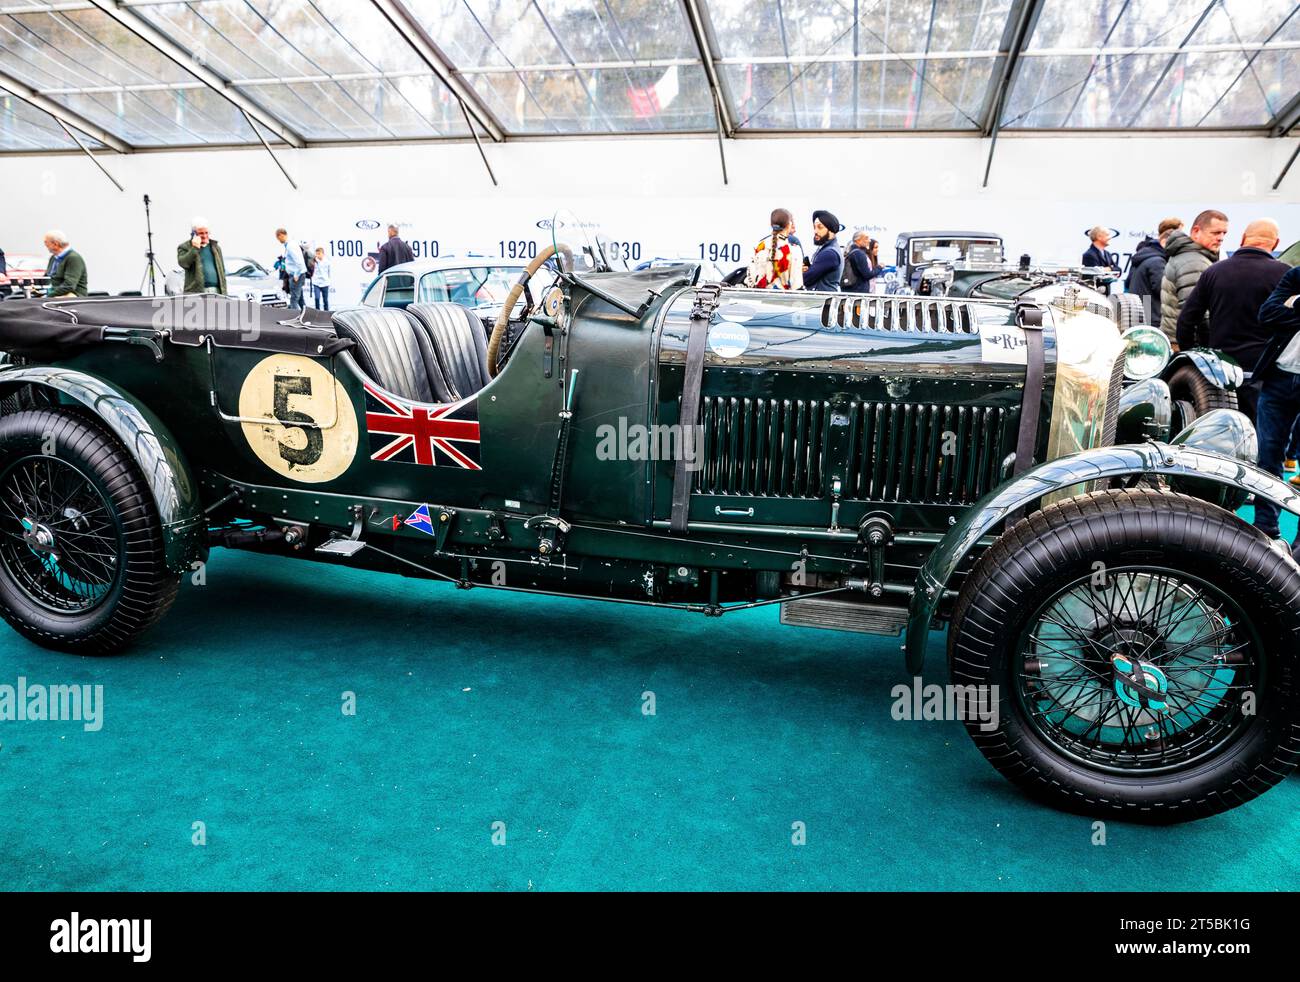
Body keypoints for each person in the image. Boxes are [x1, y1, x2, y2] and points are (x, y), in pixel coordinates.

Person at [1176, 220, 1288, 423]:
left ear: (1243, 239)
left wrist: (1196, 358)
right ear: (1276, 242)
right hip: (1269, 375)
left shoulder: (1214, 271)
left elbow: (1186, 320)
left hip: (1222, 375)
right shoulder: (1286, 274)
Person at [1249, 261, 1300, 541]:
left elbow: (1278, 314)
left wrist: (1293, 307)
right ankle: (1265, 528)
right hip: (1278, 378)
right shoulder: (1296, 275)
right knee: (1268, 455)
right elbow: (1267, 314)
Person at [1160, 209, 1229, 347]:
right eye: (1215, 233)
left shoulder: (1194, 257)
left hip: (1178, 341)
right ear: (1196, 231)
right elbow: (1196, 315)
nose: (1221, 238)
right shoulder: (1194, 262)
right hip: (1186, 346)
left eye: (1224, 233)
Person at [1125, 217, 1182, 324]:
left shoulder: (1145, 255)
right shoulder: (1157, 261)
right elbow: (1163, 290)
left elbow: (1128, 282)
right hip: (1150, 315)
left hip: (1143, 312)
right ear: (1165, 242)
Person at [744, 208, 804, 290]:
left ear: (771, 224)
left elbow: (750, 279)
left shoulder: (759, 246)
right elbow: (796, 285)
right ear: (789, 225)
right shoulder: (794, 250)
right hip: (783, 301)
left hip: (758, 300)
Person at [177, 218, 227, 295]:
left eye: (206, 233)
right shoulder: (185, 247)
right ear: (194, 234)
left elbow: (222, 271)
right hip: (196, 292)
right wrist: (195, 248)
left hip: (216, 291)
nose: (204, 236)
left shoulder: (215, 247)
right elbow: (183, 263)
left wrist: (224, 292)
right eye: (201, 233)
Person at [802, 210, 844, 293]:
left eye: (820, 227)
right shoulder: (829, 248)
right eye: (814, 227)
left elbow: (806, 279)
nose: (815, 231)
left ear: (831, 230)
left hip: (822, 302)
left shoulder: (829, 253)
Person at [42, 231, 88, 298]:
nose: (45, 245)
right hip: (54, 294)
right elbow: (46, 278)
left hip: (73, 294)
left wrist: (48, 296)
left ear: (55, 244)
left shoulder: (73, 258)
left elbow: (69, 285)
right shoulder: (53, 258)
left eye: (46, 242)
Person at [276, 228, 307, 310]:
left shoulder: (290, 246)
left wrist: (296, 275)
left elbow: (299, 261)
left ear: (281, 235)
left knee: (294, 300)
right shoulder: (290, 244)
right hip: (298, 274)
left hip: (296, 275)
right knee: (300, 299)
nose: (278, 240)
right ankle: (307, 315)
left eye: (278, 238)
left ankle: (295, 319)